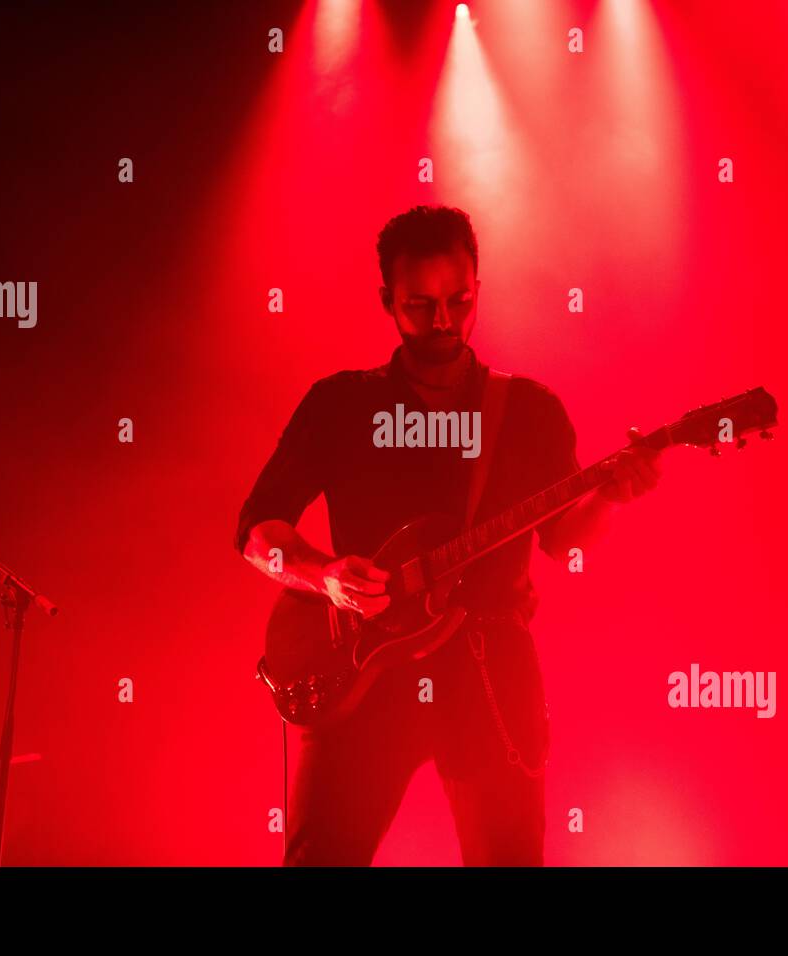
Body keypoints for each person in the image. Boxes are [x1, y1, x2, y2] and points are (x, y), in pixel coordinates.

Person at [235, 204, 660, 865]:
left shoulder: (527, 412)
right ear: (386, 301)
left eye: (459, 302)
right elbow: (257, 530)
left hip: (490, 675)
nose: (442, 321)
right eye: (419, 305)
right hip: (361, 678)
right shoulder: (341, 405)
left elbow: (563, 545)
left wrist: (610, 495)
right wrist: (325, 578)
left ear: (479, 292)